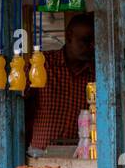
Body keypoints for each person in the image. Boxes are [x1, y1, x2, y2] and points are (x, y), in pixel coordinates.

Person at [28, 13, 95, 152]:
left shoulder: (97, 74)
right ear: (69, 36)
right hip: (41, 153)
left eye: (94, 42)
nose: (91, 47)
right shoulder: (43, 65)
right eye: (85, 40)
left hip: (80, 154)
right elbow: (10, 97)